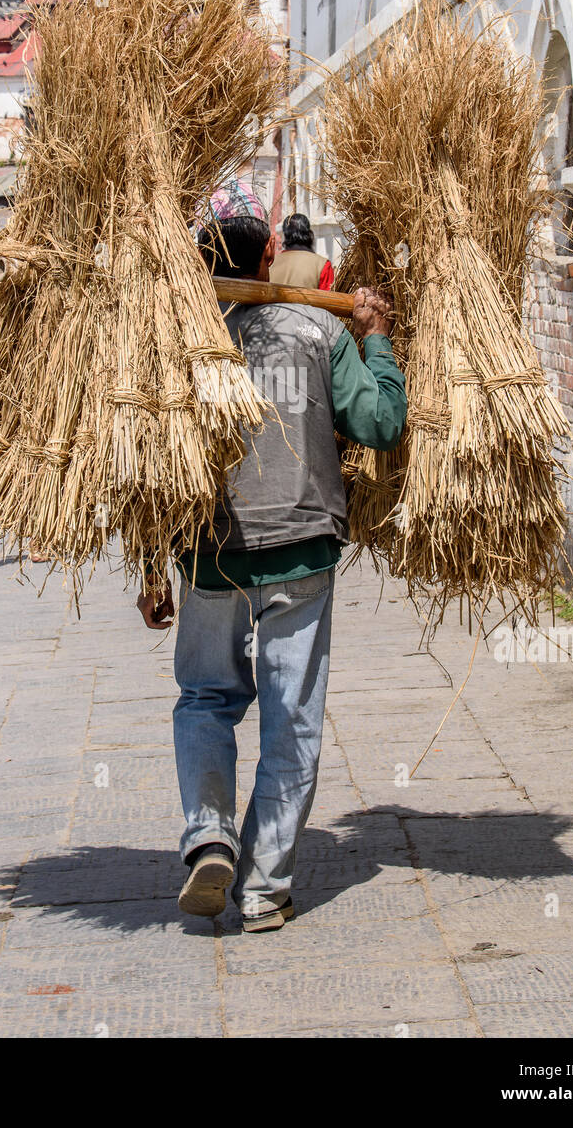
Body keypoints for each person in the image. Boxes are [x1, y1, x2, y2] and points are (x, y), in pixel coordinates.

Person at [137, 188, 407, 932]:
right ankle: (262, 888)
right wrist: (377, 339)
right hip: (301, 548)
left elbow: (144, 466)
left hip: (208, 552)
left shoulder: (177, 342)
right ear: (268, 257)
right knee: (291, 719)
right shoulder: (317, 332)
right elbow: (379, 423)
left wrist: (148, 569)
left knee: (204, 699)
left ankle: (209, 835)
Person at [268, 212, 335, 291]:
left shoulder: (270, 263)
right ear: (309, 234)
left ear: (285, 235)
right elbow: (328, 299)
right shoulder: (323, 264)